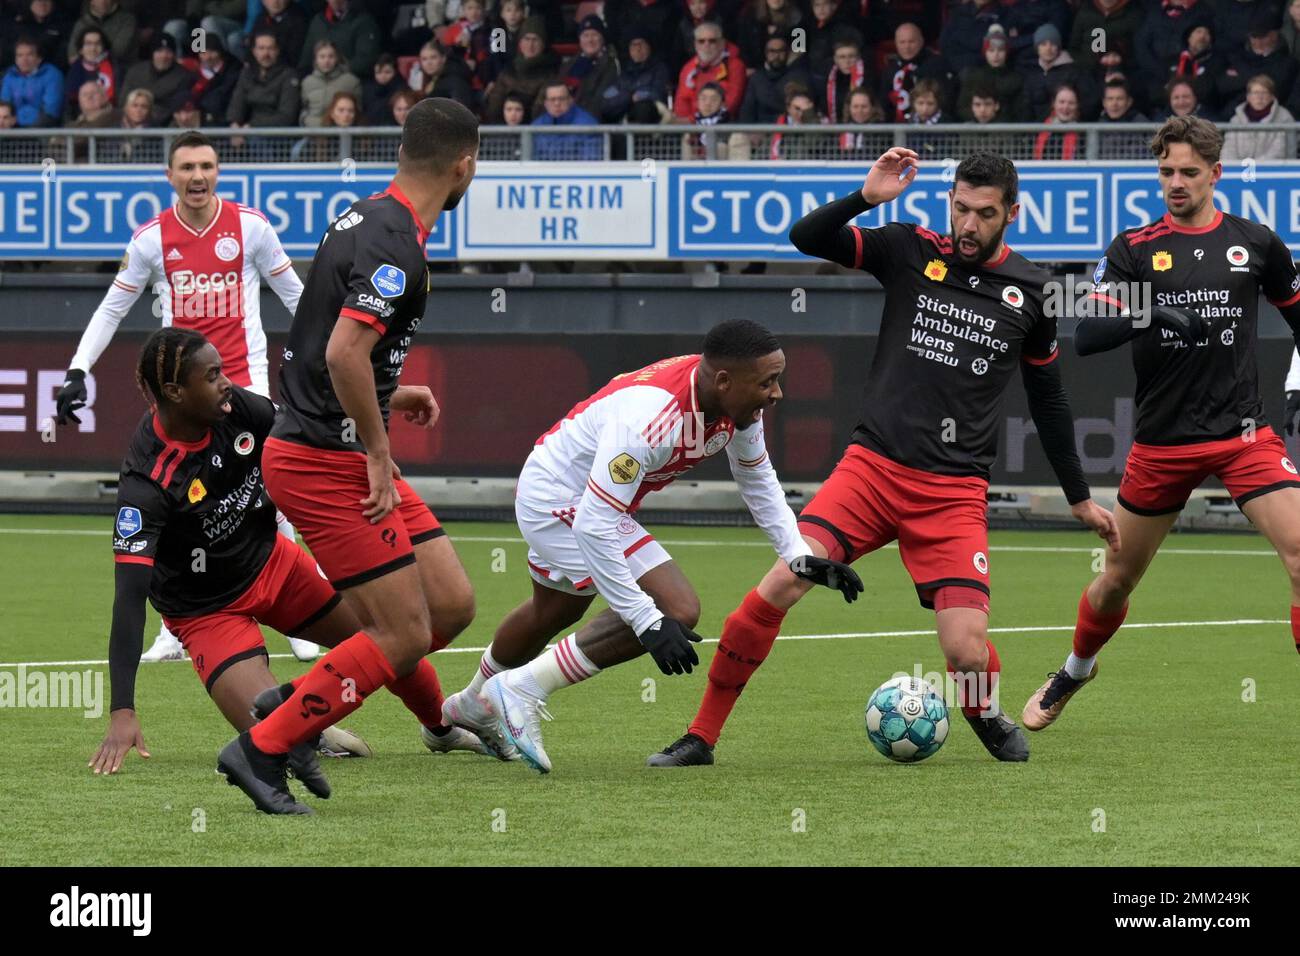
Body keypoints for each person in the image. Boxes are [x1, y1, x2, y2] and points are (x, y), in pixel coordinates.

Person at [647, 148, 1118, 768]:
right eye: (960, 209)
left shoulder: (1032, 292)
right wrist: (865, 197)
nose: (968, 225)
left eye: (983, 213)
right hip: (870, 472)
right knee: (780, 583)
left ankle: (982, 710)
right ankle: (701, 736)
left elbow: (1049, 400)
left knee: (966, 654)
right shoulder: (909, 249)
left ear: (1012, 213)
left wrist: (1079, 495)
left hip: (952, 492)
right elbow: (806, 236)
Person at [216, 98, 483, 815]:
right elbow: (341, 352)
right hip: (319, 460)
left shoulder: (360, 216)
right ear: (463, 166)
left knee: (451, 605)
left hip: (323, 439)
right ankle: (264, 747)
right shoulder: (397, 244)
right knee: (401, 633)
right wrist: (375, 448)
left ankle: (290, 705)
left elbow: (318, 351)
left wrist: (393, 393)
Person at [440, 320, 860, 774]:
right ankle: (520, 688)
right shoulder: (651, 420)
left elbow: (755, 474)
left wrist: (796, 554)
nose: (776, 393)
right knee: (674, 608)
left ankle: (468, 706)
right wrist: (647, 622)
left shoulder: (735, 402)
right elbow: (593, 524)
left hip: (590, 501)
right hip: (562, 502)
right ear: (724, 380)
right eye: (767, 382)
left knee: (555, 611)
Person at [90, 329, 486, 789]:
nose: (226, 382)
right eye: (213, 375)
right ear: (176, 392)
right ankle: (315, 733)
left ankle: (442, 726)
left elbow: (311, 424)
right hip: (206, 612)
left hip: (275, 566)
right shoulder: (146, 481)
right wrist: (122, 710)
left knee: (390, 638)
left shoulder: (236, 407)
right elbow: (129, 598)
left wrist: (388, 407)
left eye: (223, 371)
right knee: (269, 728)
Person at [1023, 115, 1300, 729]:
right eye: (1167, 171)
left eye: (1189, 172)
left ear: (1216, 174)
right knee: (1115, 582)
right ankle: (1074, 669)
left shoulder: (1256, 242)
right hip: (1162, 445)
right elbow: (1089, 334)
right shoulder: (1133, 248)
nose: (1176, 182)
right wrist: (1152, 313)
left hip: (1243, 436)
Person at [54, 131, 318, 664]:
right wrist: (78, 368)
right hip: (179, 394)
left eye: (207, 166)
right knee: (179, 500)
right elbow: (111, 307)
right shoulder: (152, 239)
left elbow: (299, 299)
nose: (198, 176)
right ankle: (175, 629)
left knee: (270, 486)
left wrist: (332, 354)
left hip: (244, 384)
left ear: (217, 172)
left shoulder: (251, 228)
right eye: (187, 167)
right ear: (169, 175)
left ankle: (297, 616)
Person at [674, 19, 745, 121]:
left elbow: (731, 102)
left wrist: (694, 121)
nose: (706, 45)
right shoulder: (688, 68)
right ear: (695, 44)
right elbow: (681, 102)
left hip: (722, 125)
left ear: (722, 43)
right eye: (701, 41)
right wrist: (687, 124)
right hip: (690, 127)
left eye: (712, 41)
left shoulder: (735, 65)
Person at [120, 34, 195, 128]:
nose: (164, 56)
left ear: (174, 55)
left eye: (168, 51)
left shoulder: (184, 76)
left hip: (166, 126)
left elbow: (177, 108)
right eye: (159, 51)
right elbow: (123, 101)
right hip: (131, 123)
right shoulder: (135, 72)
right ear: (152, 53)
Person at [1221, 74, 1296, 161]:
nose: (1259, 97)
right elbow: (1228, 150)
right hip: (1239, 171)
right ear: (1248, 97)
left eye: (1264, 93)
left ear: (1272, 96)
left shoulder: (1284, 118)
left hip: (1272, 171)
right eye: (1255, 93)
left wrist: (1255, 168)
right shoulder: (1236, 119)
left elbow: (1279, 151)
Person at [530, 81, 601, 161]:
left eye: (561, 99)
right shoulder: (537, 126)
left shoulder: (588, 124)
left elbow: (591, 162)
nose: (557, 103)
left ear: (570, 100)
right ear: (545, 103)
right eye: (552, 99)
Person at [1, 35, 62, 127]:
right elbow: (4, 106)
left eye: (29, 54)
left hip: (44, 132)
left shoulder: (52, 75)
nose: (24, 59)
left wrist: (31, 133)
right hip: (13, 132)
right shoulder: (9, 76)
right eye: (20, 55)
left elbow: (51, 110)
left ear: (39, 58)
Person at [299, 39, 362, 126]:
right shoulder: (307, 82)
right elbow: (304, 110)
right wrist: (306, 120)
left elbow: (358, 111)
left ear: (337, 58)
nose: (326, 61)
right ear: (316, 59)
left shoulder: (351, 81)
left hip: (341, 134)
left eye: (331, 56)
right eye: (322, 57)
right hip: (313, 133)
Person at [62, 26, 115, 121]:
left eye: (98, 44)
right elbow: (68, 107)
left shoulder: (115, 68)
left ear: (104, 48)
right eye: (88, 44)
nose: (93, 48)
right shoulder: (74, 71)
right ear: (81, 49)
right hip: (80, 122)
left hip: (110, 121)